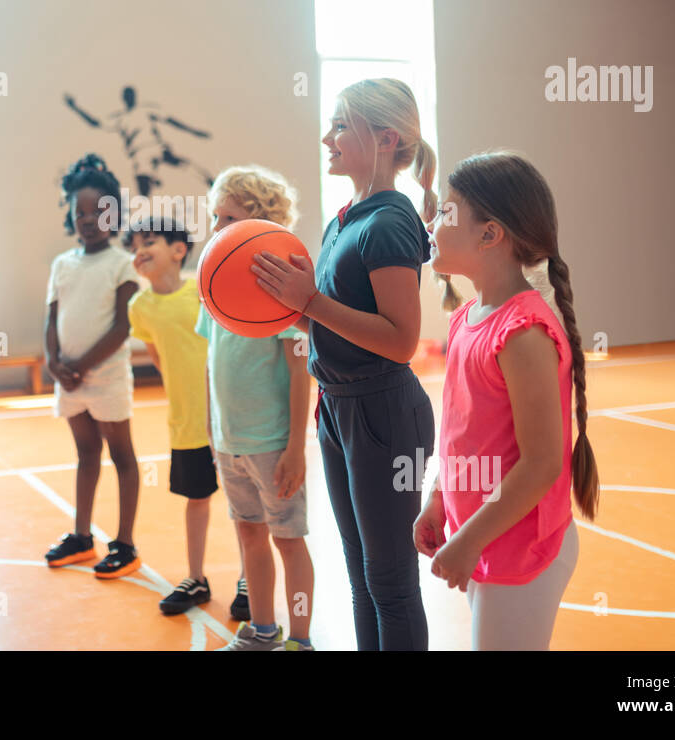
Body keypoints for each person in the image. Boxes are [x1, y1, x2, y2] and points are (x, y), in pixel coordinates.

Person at [253, 77, 438, 651]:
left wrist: (309, 301)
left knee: (390, 581)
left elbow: (403, 340)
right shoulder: (343, 219)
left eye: (340, 125)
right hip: (338, 409)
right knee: (360, 576)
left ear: (384, 138)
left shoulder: (388, 221)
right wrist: (288, 309)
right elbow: (337, 319)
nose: (326, 136)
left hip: (383, 410)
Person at [416, 150, 600, 650]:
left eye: (447, 213)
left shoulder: (523, 332)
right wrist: (438, 497)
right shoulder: (465, 318)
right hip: (485, 535)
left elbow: (541, 464)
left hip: (521, 548)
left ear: (489, 234)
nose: (432, 221)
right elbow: (457, 432)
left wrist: (470, 537)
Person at [198, 166, 315, 651]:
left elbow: (298, 372)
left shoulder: (277, 290)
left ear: (260, 220)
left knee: (289, 540)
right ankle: (263, 630)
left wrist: (295, 448)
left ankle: (301, 639)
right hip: (230, 443)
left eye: (229, 217)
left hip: (271, 445)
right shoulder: (211, 287)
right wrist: (212, 431)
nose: (217, 228)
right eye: (214, 217)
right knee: (249, 537)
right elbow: (211, 367)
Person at [125, 214, 240, 616]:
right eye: (135, 245)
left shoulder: (201, 292)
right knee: (197, 499)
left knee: (244, 506)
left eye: (149, 241)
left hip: (229, 421)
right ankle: (196, 578)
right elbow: (159, 359)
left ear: (178, 250)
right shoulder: (140, 307)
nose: (140, 250)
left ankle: (248, 578)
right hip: (186, 424)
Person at [43, 154, 143, 579]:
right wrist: (54, 363)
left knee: (121, 455)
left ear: (113, 214)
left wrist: (82, 364)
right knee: (85, 454)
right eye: (78, 211)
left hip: (105, 378)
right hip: (70, 379)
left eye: (96, 211)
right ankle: (82, 536)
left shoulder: (122, 263)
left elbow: (123, 326)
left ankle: (124, 542)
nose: (87, 219)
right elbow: (52, 318)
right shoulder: (63, 264)